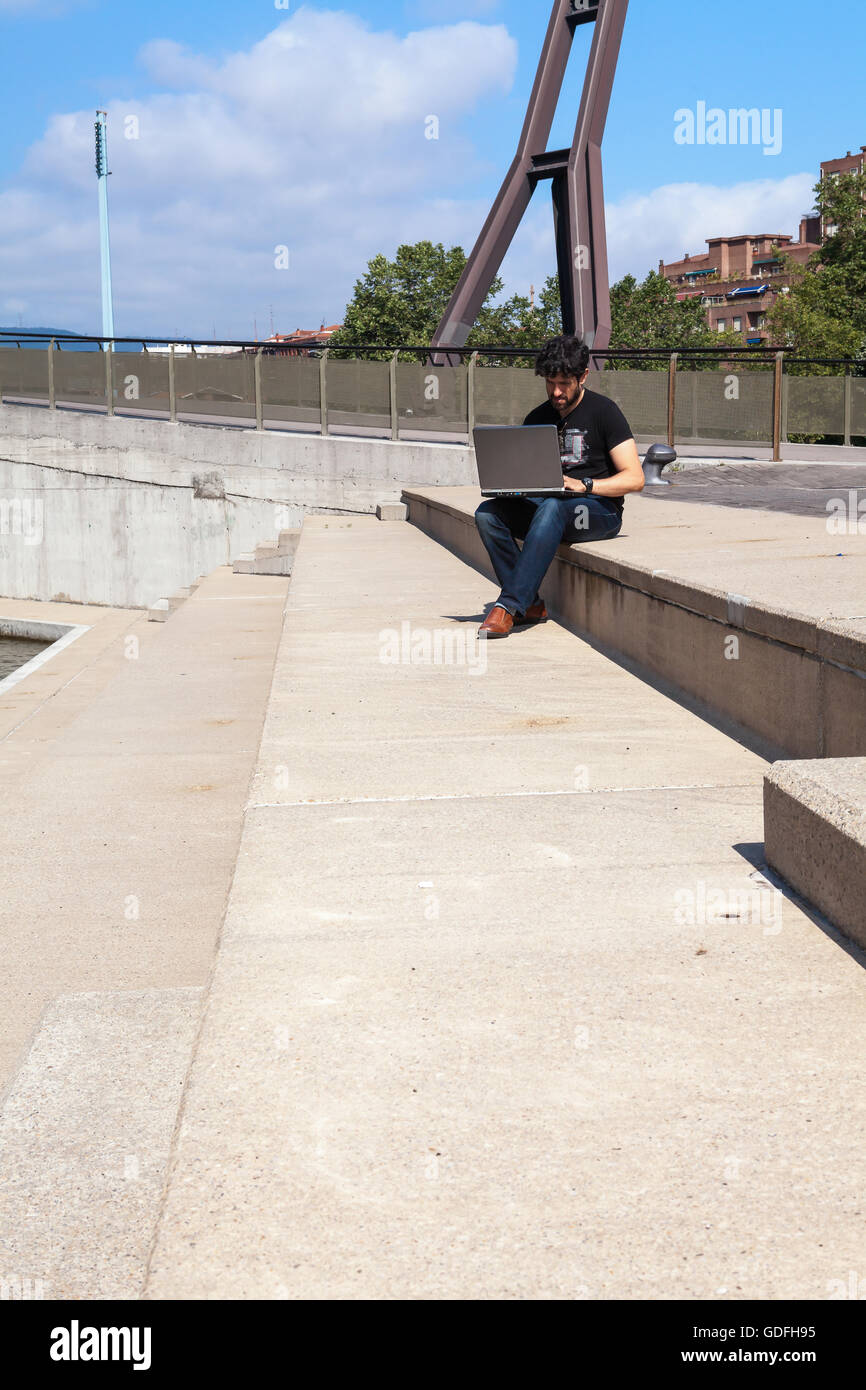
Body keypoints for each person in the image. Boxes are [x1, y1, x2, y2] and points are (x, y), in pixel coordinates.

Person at [474, 334, 644, 638]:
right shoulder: (538, 417)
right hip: (546, 509)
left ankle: (509, 606)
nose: (556, 391)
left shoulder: (605, 412)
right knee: (488, 514)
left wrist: (585, 485)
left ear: (583, 376)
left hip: (597, 510)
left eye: (564, 382)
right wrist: (511, 487)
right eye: (550, 382)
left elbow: (635, 479)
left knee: (553, 506)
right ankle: (533, 605)